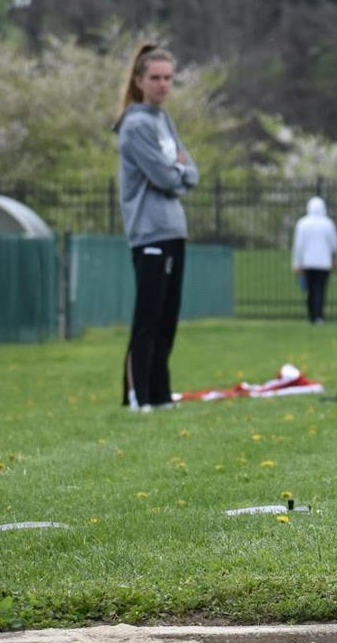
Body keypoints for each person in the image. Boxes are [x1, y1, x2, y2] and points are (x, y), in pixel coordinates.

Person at [114, 43, 199, 412]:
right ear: (139, 81)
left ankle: (161, 395)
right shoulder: (135, 126)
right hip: (149, 232)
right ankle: (138, 395)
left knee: (167, 317)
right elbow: (167, 176)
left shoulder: (163, 121)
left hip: (174, 229)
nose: (163, 84)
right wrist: (178, 171)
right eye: (155, 78)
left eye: (168, 78)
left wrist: (179, 171)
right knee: (148, 316)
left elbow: (192, 172)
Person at [290, 196, 337, 324]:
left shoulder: (302, 224)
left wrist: (297, 263)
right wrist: (335, 258)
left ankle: (312, 315)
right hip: (324, 263)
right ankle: (319, 315)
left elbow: (298, 246)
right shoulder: (328, 224)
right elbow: (334, 244)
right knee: (320, 289)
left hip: (308, 262)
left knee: (311, 290)